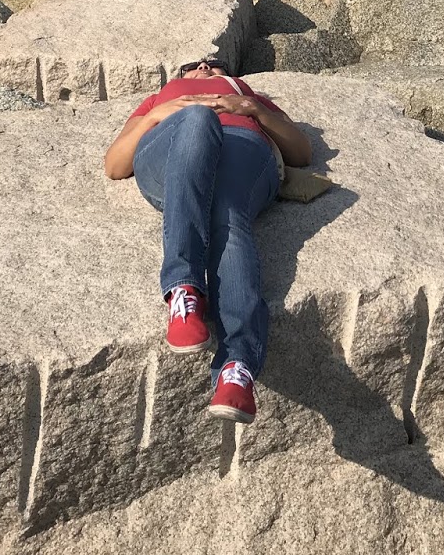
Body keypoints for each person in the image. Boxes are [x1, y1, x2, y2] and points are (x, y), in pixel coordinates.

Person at [104, 56, 312, 424]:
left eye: (215, 64)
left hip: (243, 147)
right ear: (179, 76)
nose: (204, 67)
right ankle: (184, 290)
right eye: (193, 66)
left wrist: (251, 110)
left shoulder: (247, 94)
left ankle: (238, 370)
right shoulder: (159, 99)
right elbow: (116, 164)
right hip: (170, 153)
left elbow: (301, 152)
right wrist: (159, 115)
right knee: (198, 118)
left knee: (229, 214)